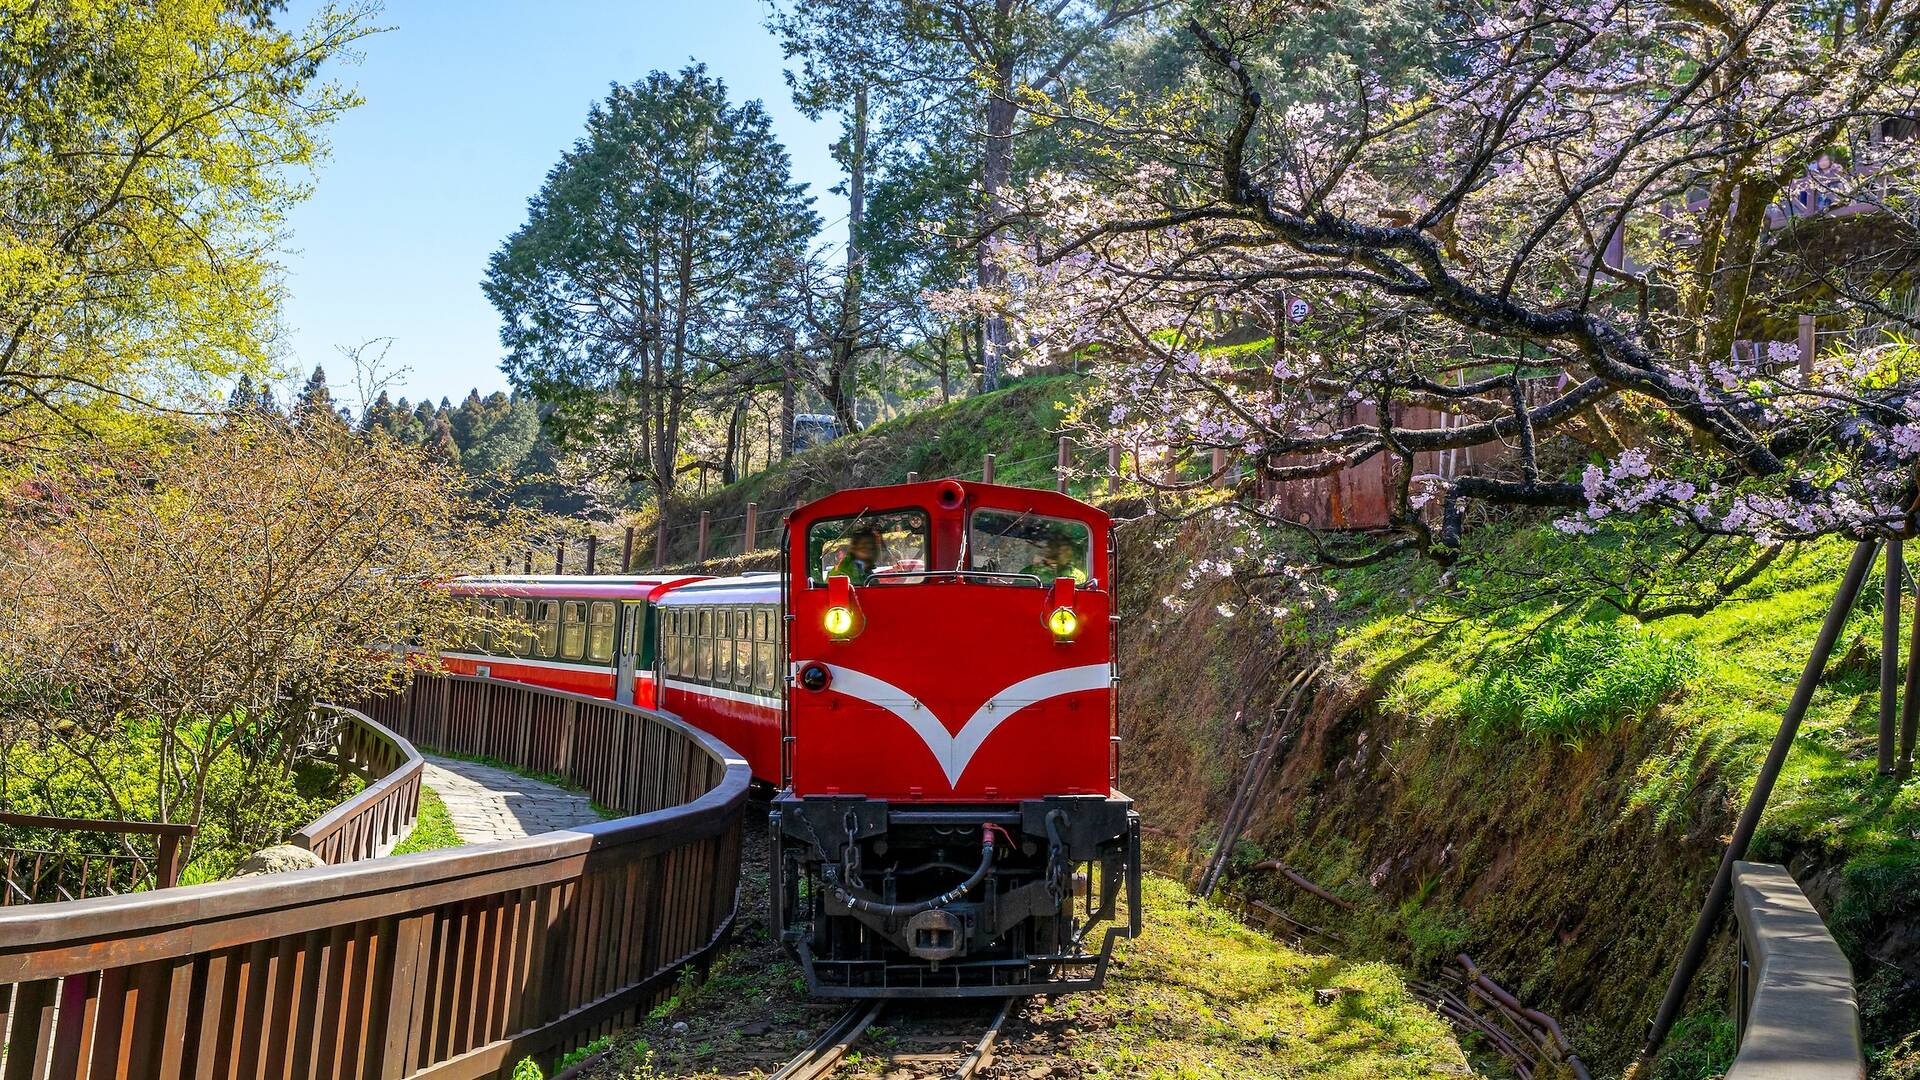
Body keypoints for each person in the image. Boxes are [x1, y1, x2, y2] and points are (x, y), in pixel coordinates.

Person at [1021, 530, 1088, 585]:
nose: (1069, 554)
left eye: (1070, 550)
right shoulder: (1029, 573)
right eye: (1065, 550)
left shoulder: (1078, 575)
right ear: (1054, 551)